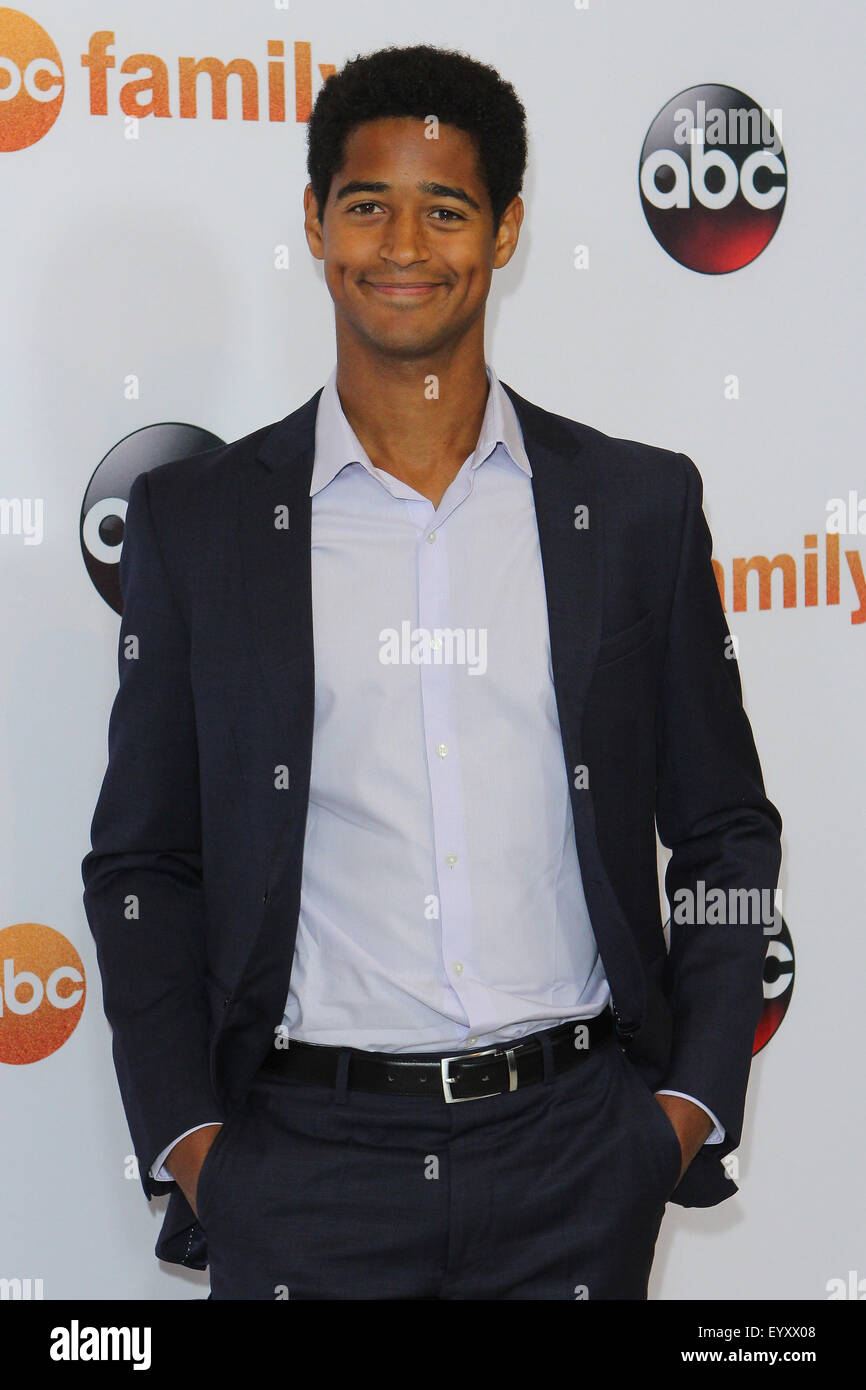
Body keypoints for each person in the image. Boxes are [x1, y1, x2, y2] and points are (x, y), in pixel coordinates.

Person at [82, 43, 782, 1300]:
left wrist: (685, 1100)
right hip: (302, 1168)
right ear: (313, 221)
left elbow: (726, 835)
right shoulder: (199, 524)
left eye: (445, 208)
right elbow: (143, 861)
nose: (402, 244)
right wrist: (193, 1141)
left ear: (505, 231)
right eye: (366, 204)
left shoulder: (634, 509)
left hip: (576, 1154)